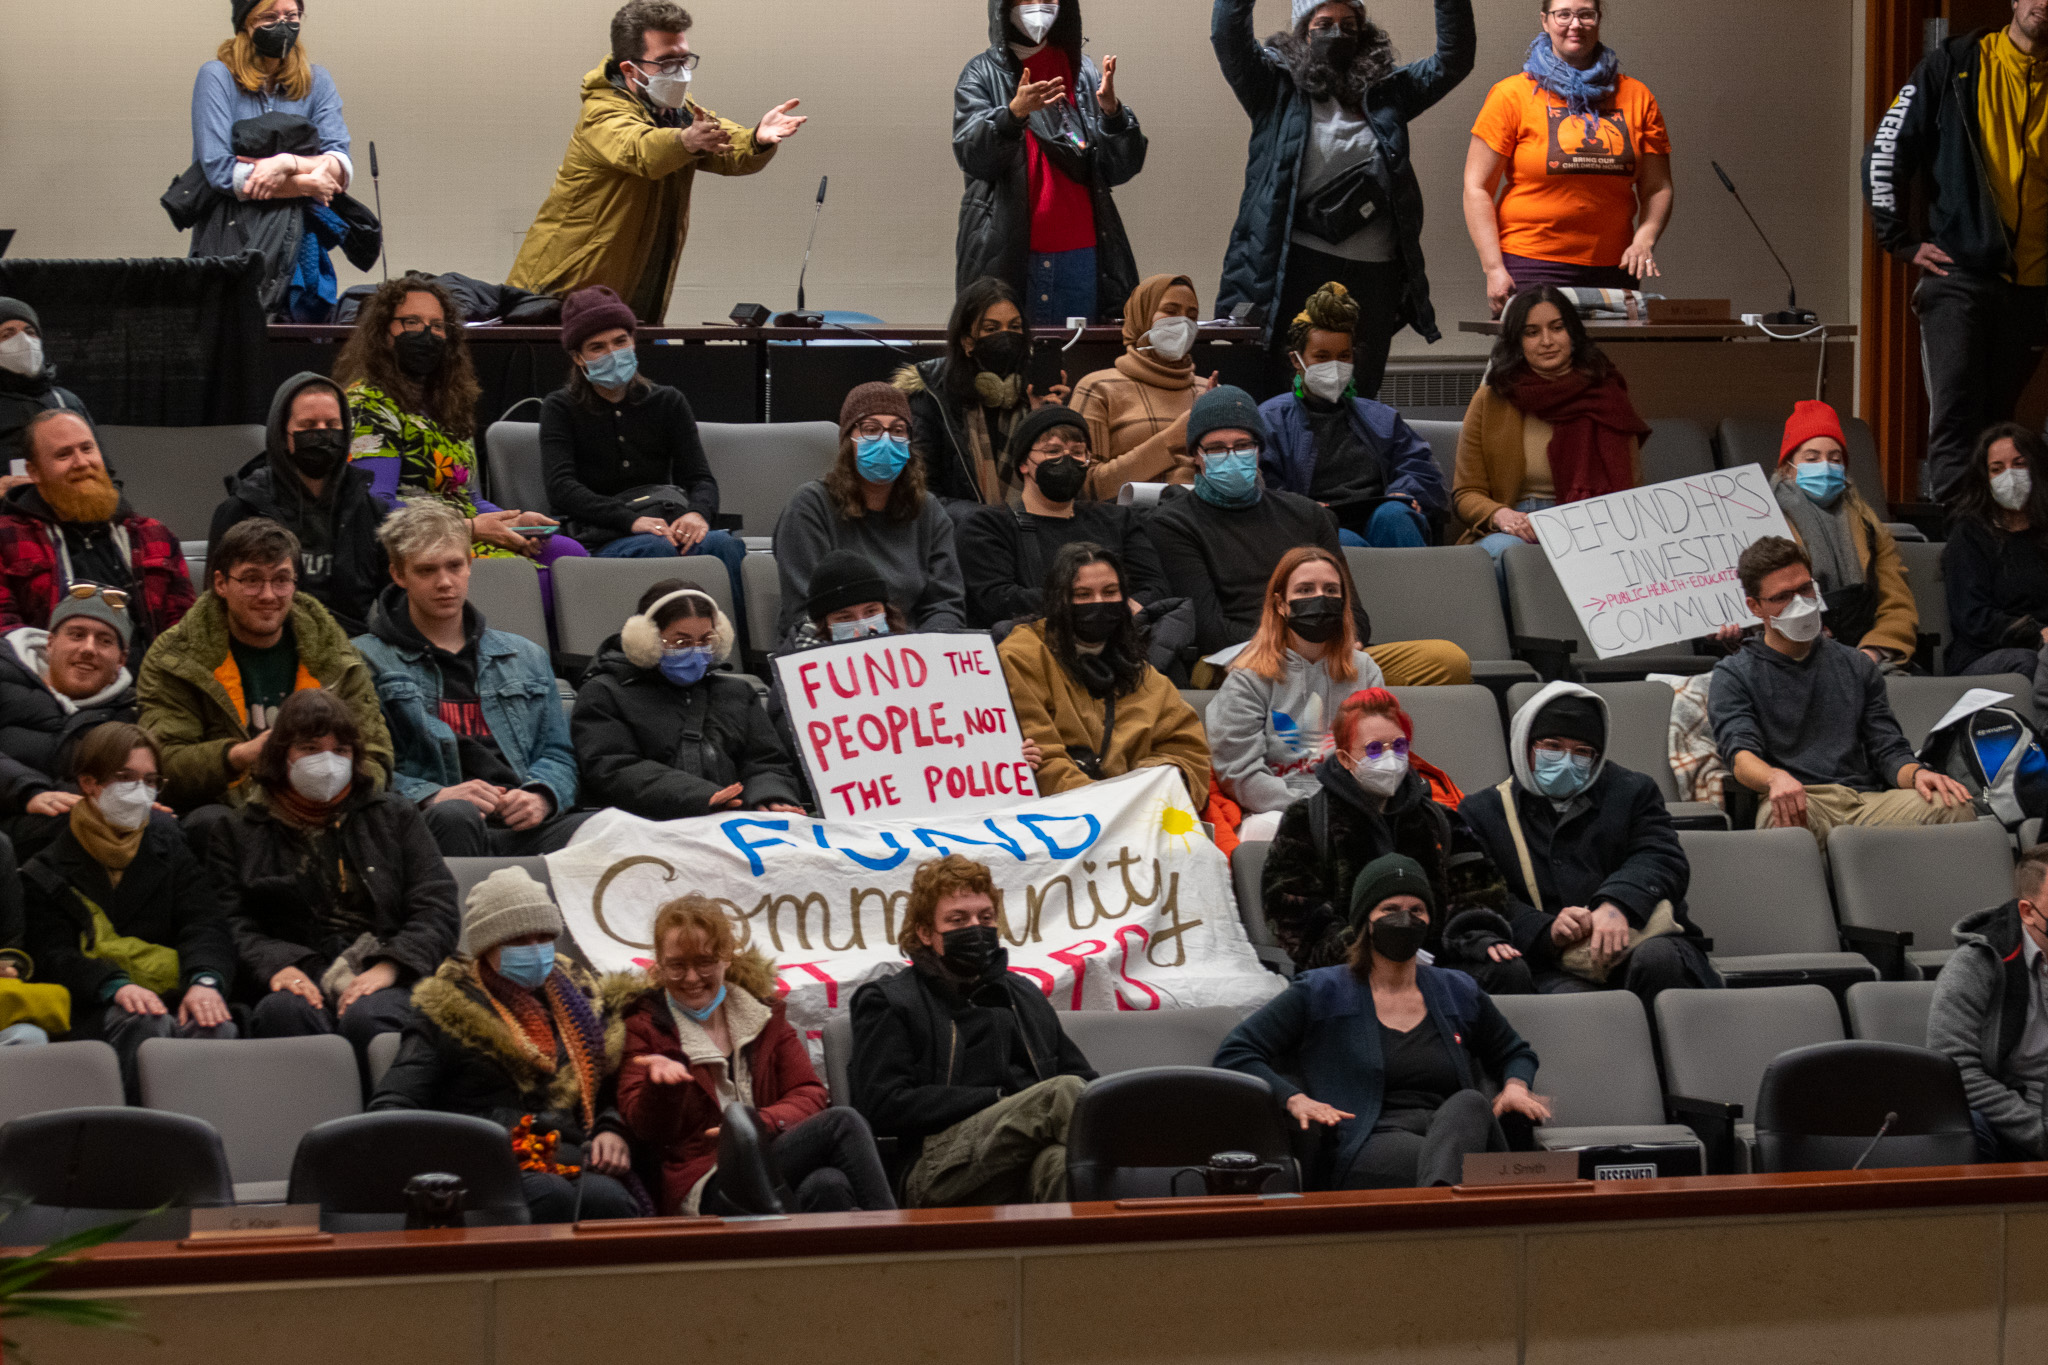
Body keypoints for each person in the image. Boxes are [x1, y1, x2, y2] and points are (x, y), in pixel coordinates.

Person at [1216, 854, 1545, 1190]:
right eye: (1390, 910)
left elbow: (1515, 1051)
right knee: (1487, 1170)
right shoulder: (1321, 990)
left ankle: (1443, 1201)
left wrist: (1516, 1087)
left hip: (1449, 1135)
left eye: (1417, 910)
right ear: (1365, 921)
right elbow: (1236, 1052)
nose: (1405, 919)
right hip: (1368, 1142)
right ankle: (1469, 1198)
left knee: (1471, 1103)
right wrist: (1293, 1098)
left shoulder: (1456, 990)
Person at [1215, 0, 1475, 395]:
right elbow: (1228, 36)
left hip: (1373, 277)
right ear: (1304, 30)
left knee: (1357, 393)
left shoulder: (1389, 92)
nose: (1336, 33)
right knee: (1285, 390)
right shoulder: (1273, 86)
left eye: (1348, 24)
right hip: (1296, 267)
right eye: (1324, 23)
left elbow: (1454, 60)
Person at [371, 867, 648, 1223]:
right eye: (518, 941)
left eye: (543, 937)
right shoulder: (447, 1012)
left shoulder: (583, 1001)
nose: (535, 951)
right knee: (552, 1197)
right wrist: (488, 1135)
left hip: (568, 1154)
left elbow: (612, 1090)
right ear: (487, 948)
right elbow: (394, 1106)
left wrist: (613, 1129)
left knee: (610, 1201)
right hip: (482, 1161)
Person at [1148, 386, 1471, 685]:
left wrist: (1330, 645)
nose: (1232, 456)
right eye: (1217, 448)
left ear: (1259, 450)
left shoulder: (1308, 514)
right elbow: (1208, 628)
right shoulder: (1174, 523)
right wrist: (1298, 645)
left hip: (1326, 652)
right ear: (1195, 456)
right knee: (1243, 673)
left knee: (1447, 660)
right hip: (1242, 656)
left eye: (1243, 445)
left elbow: (1353, 613)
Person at [506, 0, 805, 323]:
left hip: (630, 289)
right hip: (560, 289)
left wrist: (756, 138)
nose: (679, 71)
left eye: (683, 58)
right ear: (629, 69)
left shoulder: (677, 111)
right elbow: (640, 150)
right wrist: (685, 140)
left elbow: (727, 149)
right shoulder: (602, 112)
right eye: (665, 62)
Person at [1865, 0, 2048, 502]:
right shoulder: (1954, 64)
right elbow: (1886, 149)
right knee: (1956, 420)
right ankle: (1960, 547)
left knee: (2004, 430)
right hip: (1958, 277)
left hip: (2033, 288)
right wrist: (1898, 239)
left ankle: (2002, 547)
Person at [210, 690, 457, 1052]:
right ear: (282, 757)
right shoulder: (238, 832)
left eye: (340, 750)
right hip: (295, 971)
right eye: (310, 749)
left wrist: (390, 966)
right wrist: (277, 967)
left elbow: (437, 906)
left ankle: (393, 1109)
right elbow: (229, 921)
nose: (327, 762)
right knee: (282, 1013)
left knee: (370, 1015)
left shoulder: (395, 815)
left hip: (386, 968)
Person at [619, 895, 895, 1214]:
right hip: (705, 1181)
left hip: (768, 1154)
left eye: (704, 962)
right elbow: (647, 1134)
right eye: (677, 966)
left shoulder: (762, 1016)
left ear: (726, 959)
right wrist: (662, 1089)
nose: (692, 977)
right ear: (660, 965)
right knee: (842, 1122)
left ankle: (862, 1261)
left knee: (827, 1184)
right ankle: (902, 1247)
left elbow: (809, 1093)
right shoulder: (645, 1027)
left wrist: (755, 1126)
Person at [849, 855, 1096, 1207]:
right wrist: (997, 1100)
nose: (976, 929)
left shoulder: (1022, 994)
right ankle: (1150, 1185)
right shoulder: (889, 1000)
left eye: (985, 917)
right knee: (1062, 1093)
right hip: (932, 1168)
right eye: (958, 919)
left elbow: (1085, 1079)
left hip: (1020, 1159)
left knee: (1060, 1165)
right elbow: (882, 1104)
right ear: (924, 932)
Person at [335, 276, 587, 613]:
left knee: (573, 558)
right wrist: (468, 529)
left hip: (468, 534)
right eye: (412, 322)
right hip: (419, 547)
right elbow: (375, 509)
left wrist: (511, 520)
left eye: (437, 326)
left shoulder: (447, 403)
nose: (427, 334)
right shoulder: (369, 405)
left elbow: (470, 500)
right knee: (535, 581)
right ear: (384, 332)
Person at [356, 503, 591, 857]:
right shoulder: (363, 661)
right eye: (426, 570)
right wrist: (433, 796)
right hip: (429, 830)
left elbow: (557, 752)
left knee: (606, 826)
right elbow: (360, 766)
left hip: (521, 824)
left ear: (470, 564)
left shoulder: (525, 656)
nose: (445, 582)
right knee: (457, 816)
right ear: (399, 574)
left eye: (454, 566)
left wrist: (542, 795)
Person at [1462, 682, 1718, 1006]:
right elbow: (1480, 896)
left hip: (1635, 940)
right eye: (1552, 746)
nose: (1566, 760)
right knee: (1575, 1003)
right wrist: (1548, 930)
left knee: (1661, 961)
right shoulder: (1482, 812)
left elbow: (1660, 856)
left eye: (1582, 752)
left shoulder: (1633, 791)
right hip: (1548, 962)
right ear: (1524, 745)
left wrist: (1616, 904)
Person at [1710, 537, 1977, 846]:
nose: (1799, 602)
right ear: (1755, 607)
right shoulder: (1735, 673)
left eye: (1805, 589)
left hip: (1864, 800)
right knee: (1779, 817)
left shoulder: (1855, 664)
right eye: (1783, 596)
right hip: (1802, 799)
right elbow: (1740, 756)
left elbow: (1887, 749)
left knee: (1952, 804)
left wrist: (1917, 774)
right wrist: (1774, 778)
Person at [1261, 690, 1523, 994]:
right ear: (1345, 758)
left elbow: (1480, 889)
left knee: (1508, 972)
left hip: (1435, 960)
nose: (1390, 758)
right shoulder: (1307, 819)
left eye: (1398, 746)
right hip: (1352, 966)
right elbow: (1292, 912)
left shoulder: (1438, 818)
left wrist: (1478, 937)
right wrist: (1371, 950)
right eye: (1374, 749)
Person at [22, 724, 236, 1092]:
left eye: (151, 780)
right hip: (93, 1006)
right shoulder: (48, 864)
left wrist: (204, 981)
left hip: (170, 992)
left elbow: (204, 923)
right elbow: (52, 953)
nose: (141, 792)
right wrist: (114, 985)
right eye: (126, 778)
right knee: (143, 1024)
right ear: (90, 783)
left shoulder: (170, 847)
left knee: (213, 1023)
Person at [138, 517, 392, 819]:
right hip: (231, 813)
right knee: (209, 820)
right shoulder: (176, 657)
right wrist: (238, 755)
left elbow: (376, 753)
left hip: (323, 807)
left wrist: (332, 788)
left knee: (391, 811)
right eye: (252, 580)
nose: (269, 595)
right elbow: (162, 762)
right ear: (220, 583)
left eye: (281, 580)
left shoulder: (333, 651)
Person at [539, 286, 746, 608]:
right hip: (606, 535)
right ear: (578, 358)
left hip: (666, 522)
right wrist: (628, 520)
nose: (613, 353)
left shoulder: (668, 401)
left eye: (620, 341)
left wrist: (697, 514)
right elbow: (561, 488)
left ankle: (736, 651)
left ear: (633, 342)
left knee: (724, 546)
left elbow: (700, 478)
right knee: (656, 550)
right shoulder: (560, 407)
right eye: (597, 347)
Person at [1463, 0, 1671, 314]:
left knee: (1605, 363)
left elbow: (1658, 187)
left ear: (1598, 20)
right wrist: (1493, 268)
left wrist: (1646, 237)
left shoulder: (1637, 97)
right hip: (1531, 265)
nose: (1575, 24)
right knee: (1539, 362)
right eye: (1564, 14)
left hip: (1614, 267)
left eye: (1586, 14)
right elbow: (1476, 187)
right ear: (1545, 21)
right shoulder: (1512, 95)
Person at [953, 0, 1147, 327]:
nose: (1038, 7)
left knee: (1075, 368)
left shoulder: (1082, 71)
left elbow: (1119, 169)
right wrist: (1012, 115)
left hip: (1082, 255)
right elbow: (974, 158)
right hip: (1009, 256)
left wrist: (1114, 115)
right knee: (1008, 369)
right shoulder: (981, 73)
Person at [995, 543, 1209, 802]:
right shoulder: (1021, 656)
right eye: (1083, 595)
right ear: (1057, 599)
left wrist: (1148, 783)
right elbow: (1044, 760)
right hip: (1063, 817)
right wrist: (1106, 804)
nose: (1098, 603)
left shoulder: (1143, 674)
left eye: (1110, 592)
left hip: (1140, 813)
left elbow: (1189, 754)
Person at [574, 582, 803, 821]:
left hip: (736, 822)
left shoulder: (739, 692)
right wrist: (702, 797)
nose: (695, 651)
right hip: (648, 826)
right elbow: (613, 768)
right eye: (681, 643)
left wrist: (770, 797)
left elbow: (766, 761)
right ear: (646, 641)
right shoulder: (604, 693)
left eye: (705, 640)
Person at [189, 0, 358, 320]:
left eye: (292, 16)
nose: (284, 25)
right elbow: (220, 171)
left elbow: (341, 166)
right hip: (230, 240)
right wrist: (307, 183)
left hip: (297, 247)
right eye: (270, 17)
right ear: (245, 23)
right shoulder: (216, 77)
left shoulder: (317, 80)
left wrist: (286, 163)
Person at [1454, 287, 1645, 560]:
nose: (1547, 341)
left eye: (1557, 328)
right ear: (1517, 341)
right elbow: (1466, 493)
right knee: (1509, 555)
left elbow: (1631, 489)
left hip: (1590, 525)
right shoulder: (1492, 397)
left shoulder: (1608, 396)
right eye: (1532, 332)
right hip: (1514, 529)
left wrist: (1566, 523)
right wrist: (1501, 515)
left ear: (1573, 334)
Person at [771, 384, 967, 647]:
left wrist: (925, 648)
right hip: (830, 650)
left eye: (898, 431)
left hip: (913, 654)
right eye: (871, 429)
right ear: (847, 441)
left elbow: (945, 604)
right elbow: (804, 610)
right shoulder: (810, 505)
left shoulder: (928, 509)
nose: (886, 440)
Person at [0, 411, 195, 671]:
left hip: (151, 692)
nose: (81, 462)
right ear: (34, 472)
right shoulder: (7, 539)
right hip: (49, 694)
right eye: (63, 454)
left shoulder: (154, 536)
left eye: (87, 449)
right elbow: (7, 638)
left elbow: (186, 632)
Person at [1257, 281, 1447, 547]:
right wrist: (1302, 508)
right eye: (1322, 357)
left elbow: (1421, 469)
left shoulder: (1381, 419)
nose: (1334, 366)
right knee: (1341, 538)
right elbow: (1263, 487)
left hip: (1380, 515)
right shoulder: (1270, 420)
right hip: (1316, 524)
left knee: (1395, 516)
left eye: (1343, 356)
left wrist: (1404, 492)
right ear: (1296, 361)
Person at [1212, 547, 1384, 838]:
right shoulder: (1247, 677)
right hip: (1276, 813)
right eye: (1305, 590)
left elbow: (1376, 756)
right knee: (1262, 833)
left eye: (1331, 590)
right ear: (1280, 604)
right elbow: (1240, 774)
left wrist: (1349, 805)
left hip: (1351, 807)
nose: (1320, 598)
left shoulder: (1365, 670)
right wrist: (1312, 808)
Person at [211, 372, 388, 637]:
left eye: (332, 424)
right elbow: (214, 608)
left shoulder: (372, 512)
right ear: (283, 435)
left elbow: (396, 601)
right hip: (266, 646)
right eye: (307, 425)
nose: (321, 433)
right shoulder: (241, 510)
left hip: (352, 654)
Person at [958, 405, 1168, 627]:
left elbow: (1156, 588)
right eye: (1053, 451)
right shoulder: (987, 526)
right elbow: (997, 601)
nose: (1067, 460)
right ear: (1023, 463)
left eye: (1078, 453)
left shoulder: (1119, 519)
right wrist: (1100, 603)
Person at [894, 277, 1066, 520]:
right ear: (967, 342)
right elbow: (923, 492)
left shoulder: (1034, 392)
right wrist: (985, 520)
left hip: (1030, 530)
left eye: (1015, 327)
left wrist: (1043, 420)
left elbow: (1060, 488)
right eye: (991, 329)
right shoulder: (933, 395)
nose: (1006, 336)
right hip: (958, 534)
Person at [1764, 401, 1916, 670]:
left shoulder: (1869, 525)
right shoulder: (1765, 523)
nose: (1825, 467)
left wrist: (1873, 652)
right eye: (1811, 459)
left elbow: (1897, 606)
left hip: (1868, 660)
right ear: (1787, 467)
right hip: (1795, 660)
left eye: (1835, 459)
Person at [0, 586, 138, 862]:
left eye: (105, 641)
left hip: (73, 829)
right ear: (50, 643)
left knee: (158, 830)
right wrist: (28, 790)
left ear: (121, 660)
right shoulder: (5, 676)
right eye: (76, 635)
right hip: (7, 819)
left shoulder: (130, 713)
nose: (88, 649)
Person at [1930, 844, 2048, 1162]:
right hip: (2012, 1120)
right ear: (2027, 911)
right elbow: (1957, 1073)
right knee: (1971, 1128)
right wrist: (2041, 1134)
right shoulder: (1977, 964)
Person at [1069, 275, 1211, 500]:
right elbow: (1082, 486)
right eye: (1171, 311)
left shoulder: (1209, 391)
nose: (1183, 323)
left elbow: (1246, 480)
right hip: (1124, 527)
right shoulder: (1097, 388)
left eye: (1191, 316)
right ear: (1142, 315)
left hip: (1201, 523)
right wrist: (1170, 440)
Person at [1944, 423, 2048, 677]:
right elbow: (1973, 618)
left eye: (2019, 464)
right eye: (1997, 469)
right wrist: (2036, 634)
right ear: (1985, 478)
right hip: (1985, 654)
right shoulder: (1969, 534)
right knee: (2031, 663)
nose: (2009, 476)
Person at [0, 300, 94, 470]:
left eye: (30, 332)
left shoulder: (65, 401)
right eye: (8, 334)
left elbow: (102, 468)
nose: (24, 341)